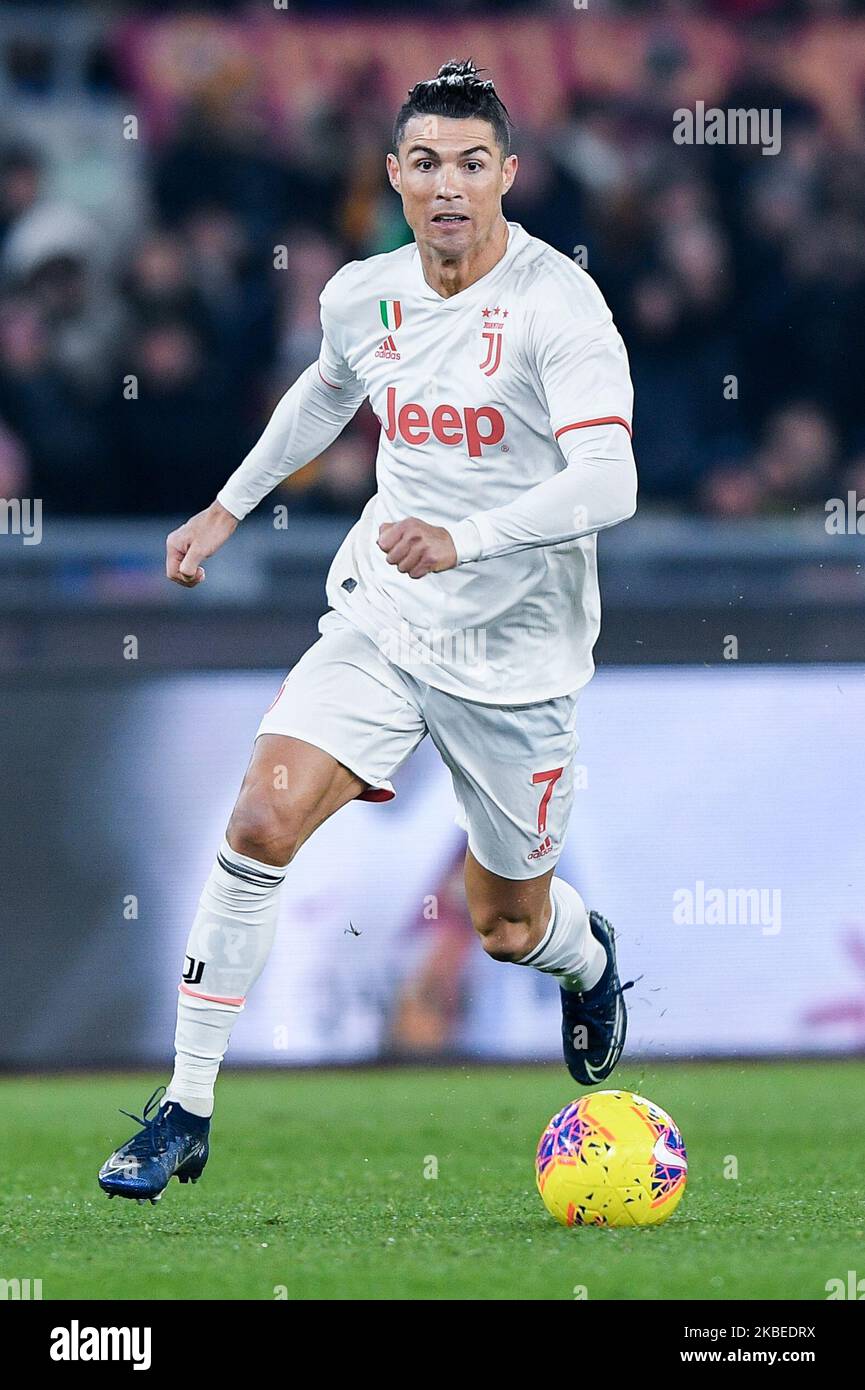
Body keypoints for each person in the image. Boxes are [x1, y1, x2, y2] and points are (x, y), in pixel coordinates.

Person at [98, 59, 638, 1204]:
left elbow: (611, 480)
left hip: (515, 660)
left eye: (472, 164)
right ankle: (184, 1107)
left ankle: (588, 959)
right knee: (260, 819)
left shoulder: (558, 305)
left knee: (506, 926)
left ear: (508, 175)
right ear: (394, 174)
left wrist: (465, 537)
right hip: (384, 620)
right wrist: (226, 507)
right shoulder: (363, 293)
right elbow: (326, 390)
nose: (449, 186)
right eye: (427, 163)